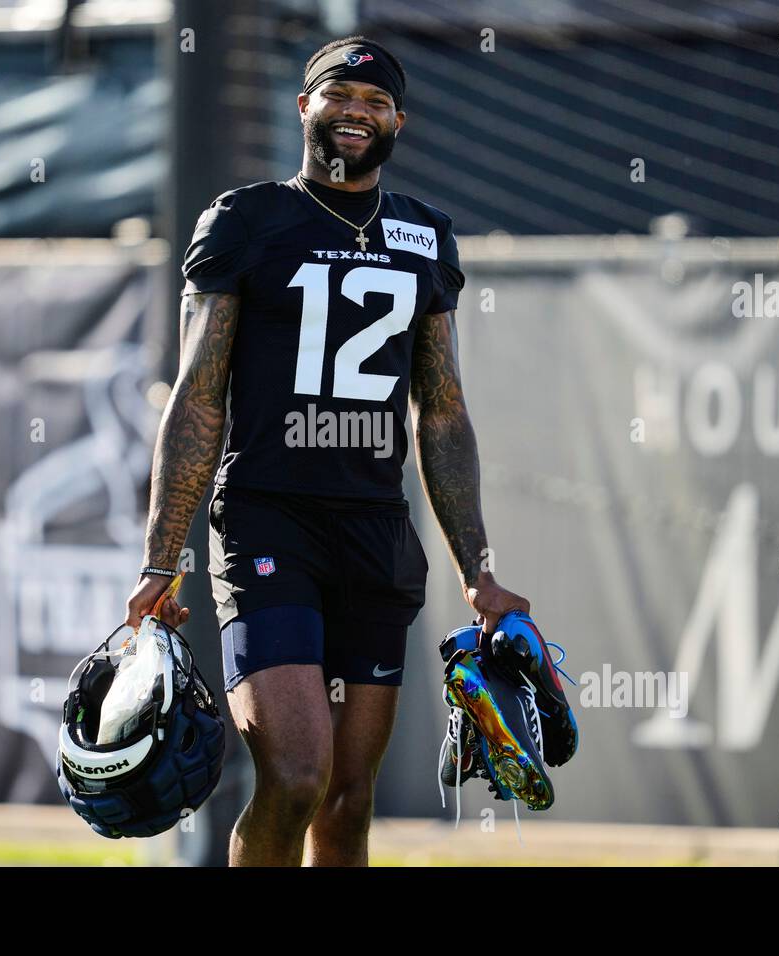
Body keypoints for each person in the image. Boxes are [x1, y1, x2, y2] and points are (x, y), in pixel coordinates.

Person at [124, 35, 529, 866]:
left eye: (377, 103)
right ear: (304, 106)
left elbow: (442, 415)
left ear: (399, 122)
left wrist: (477, 570)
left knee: (347, 801)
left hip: (376, 530)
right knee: (299, 775)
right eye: (340, 95)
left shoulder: (426, 237)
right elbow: (198, 393)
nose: (357, 112)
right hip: (270, 523)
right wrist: (161, 560)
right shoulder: (247, 221)